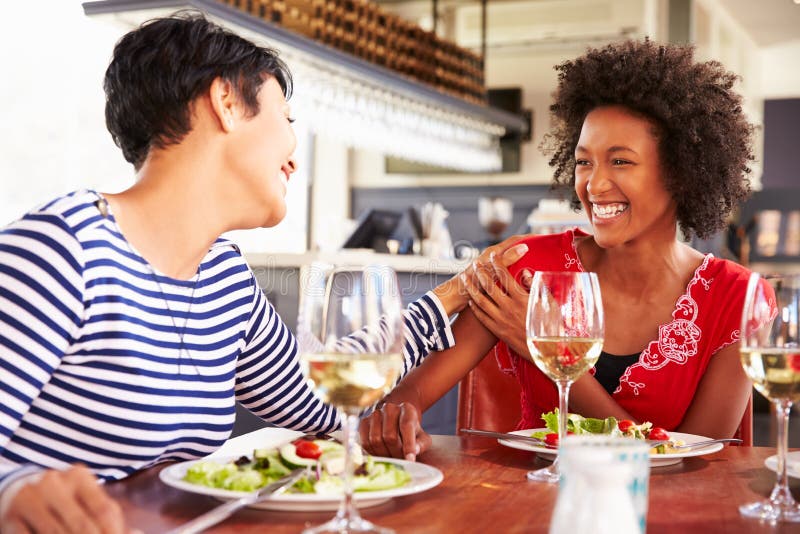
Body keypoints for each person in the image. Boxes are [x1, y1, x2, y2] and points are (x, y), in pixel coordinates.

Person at [0, 12, 529, 533]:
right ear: (226, 102)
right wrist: (14, 491)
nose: (294, 158)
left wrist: (460, 290)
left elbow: (319, 392)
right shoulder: (63, 249)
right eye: (287, 118)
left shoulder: (224, 276)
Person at [360, 38, 761, 460]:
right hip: (534, 504)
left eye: (620, 161)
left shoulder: (738, 299)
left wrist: (546, 351)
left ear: (681, 172)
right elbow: (410, 395)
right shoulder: (526, 265)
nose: (594, 184)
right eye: (584, 161)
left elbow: (693, 460)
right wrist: (395, 414)